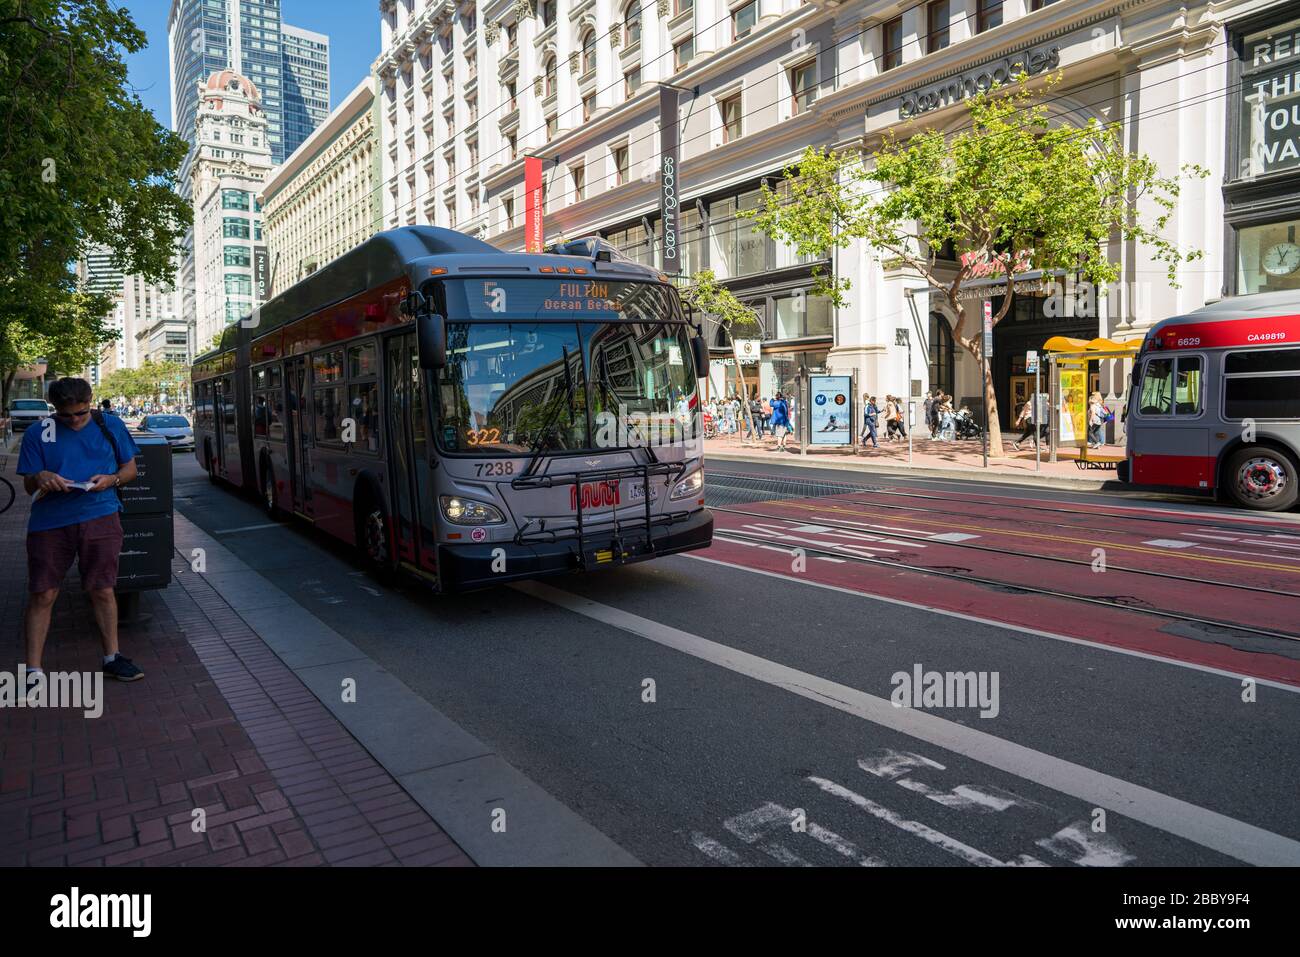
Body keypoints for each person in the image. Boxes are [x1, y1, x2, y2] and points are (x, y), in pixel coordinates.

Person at [17, 377, 144, 698]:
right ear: (54, 409)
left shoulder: (110, 425)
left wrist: (112, 479)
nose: (73, 420)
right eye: (66, 415)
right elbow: (29, 486)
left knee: (103, 589)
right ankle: (33, 669)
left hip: (100, 514)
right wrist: (40, 477)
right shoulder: (37, 433)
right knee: (43, 593)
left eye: (81, 413)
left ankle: (112, 657)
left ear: (91, 402)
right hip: (50, 522)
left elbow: (130, 470)